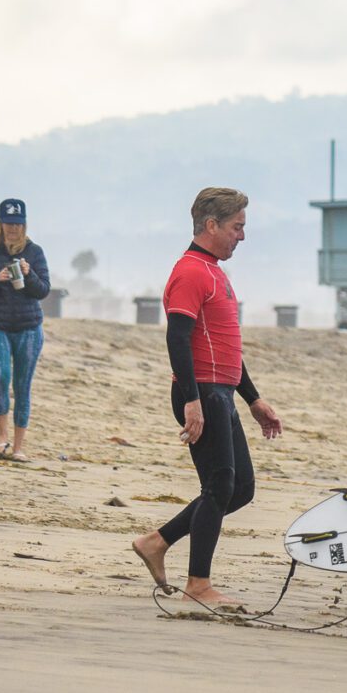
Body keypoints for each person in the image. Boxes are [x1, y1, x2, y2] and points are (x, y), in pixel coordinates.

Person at [133, 189, 284, 608]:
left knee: (241, 489)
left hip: (220, 391)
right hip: (201, 392)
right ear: (212, 225)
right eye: (237, 227)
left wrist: (253, 400)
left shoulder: (215, 271)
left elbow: (225, 345)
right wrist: (191, 400)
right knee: (218, 485)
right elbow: (177, 337)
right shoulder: (191, 272)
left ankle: (157, 542)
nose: (242, 236)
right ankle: (198, 583)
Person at [0, 197, 49, 460]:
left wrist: (28, 274)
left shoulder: (35, 252)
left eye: (17, 224)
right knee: (1, 376)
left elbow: (43, 291)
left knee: (22, 385)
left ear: (24, 225)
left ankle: (18, 447)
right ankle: (2, 438)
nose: (13, 228)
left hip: (29, 328)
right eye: (8, 223)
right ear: (0, 224)